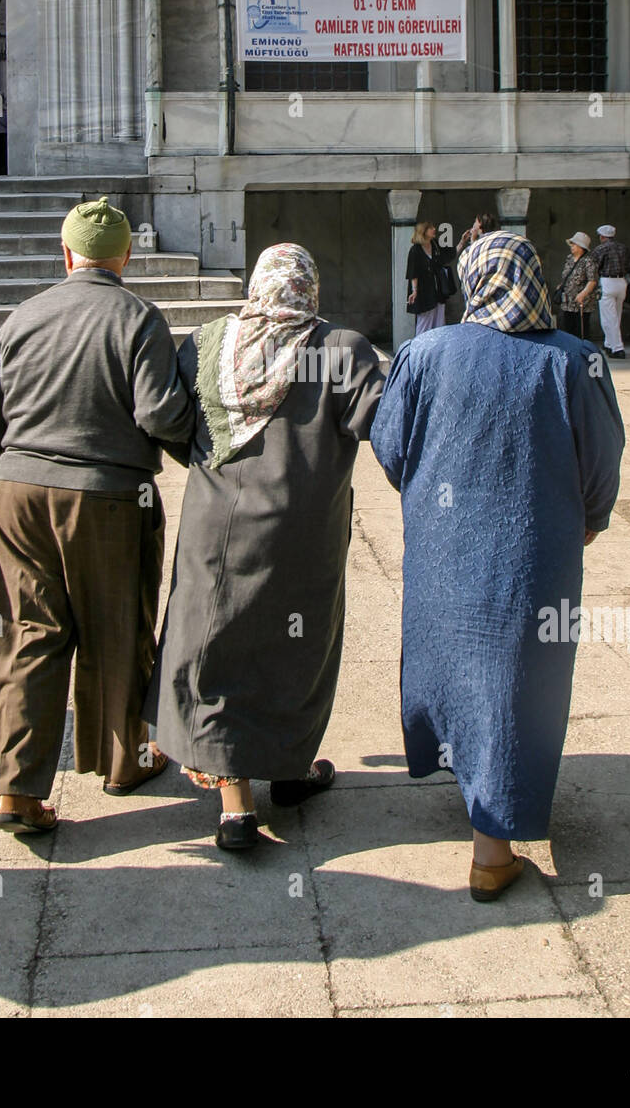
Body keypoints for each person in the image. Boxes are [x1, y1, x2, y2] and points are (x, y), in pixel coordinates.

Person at [371, 231, 624, 901]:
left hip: (443, 547)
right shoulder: (576, 360)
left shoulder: (424, 352)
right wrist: (590, 517)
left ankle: (485, 817)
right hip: (536, 549)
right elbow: (601, 462)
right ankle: (492, 843)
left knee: (456, 662)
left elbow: (391, 448)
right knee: (518, 678)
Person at [144, 243, 385, 851]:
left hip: (214, 529)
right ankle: (292, 766)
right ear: (310, 287)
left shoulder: (205, 343)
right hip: (303, 537)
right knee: (295, 650)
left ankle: (235, 808)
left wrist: (212, 463)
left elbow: (173, 424)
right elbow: (386, 424)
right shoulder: (340, 349)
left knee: (217, 648)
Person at [0, 197, 194, 835]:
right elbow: (158, 413)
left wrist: (12, 474)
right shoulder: (139, 317)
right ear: (126, 257)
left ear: (67, 255)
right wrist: (198, 446)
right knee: (118, 630)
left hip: (18, 492)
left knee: (25, 634)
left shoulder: (22, 316)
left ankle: (16, 791)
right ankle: (125, 762)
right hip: (108, 498)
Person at [406, 221, 473, 335]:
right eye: (431, 228)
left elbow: (449, 255)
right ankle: (420, 349)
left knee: (439, 323)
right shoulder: (415, 250)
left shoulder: (435, 245)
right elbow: (413, 273)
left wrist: (462, 241)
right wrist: (414, 291)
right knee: (424, 323)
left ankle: (437, 350)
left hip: (438, 291)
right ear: (424, 231)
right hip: (424, 292)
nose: (434, 229)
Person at [592, 223, 630, 359]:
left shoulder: (600, 249)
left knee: (608, 319)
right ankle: (609, 343)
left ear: (602, 236)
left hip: (607, 282)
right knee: (616, 316)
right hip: (622, 282)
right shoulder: (623, 248)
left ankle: (617, 348)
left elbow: (593, 268)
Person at [555, 230, 600, 339]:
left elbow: (592, 280)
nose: (572, 246)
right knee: (568, 327)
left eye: (574, 244)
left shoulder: (588, 261)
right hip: (567, 301)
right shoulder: (569, 259)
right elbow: (567, 275)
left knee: (581, 329)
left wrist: (583, 294)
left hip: (581, 303)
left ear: (581, 246)